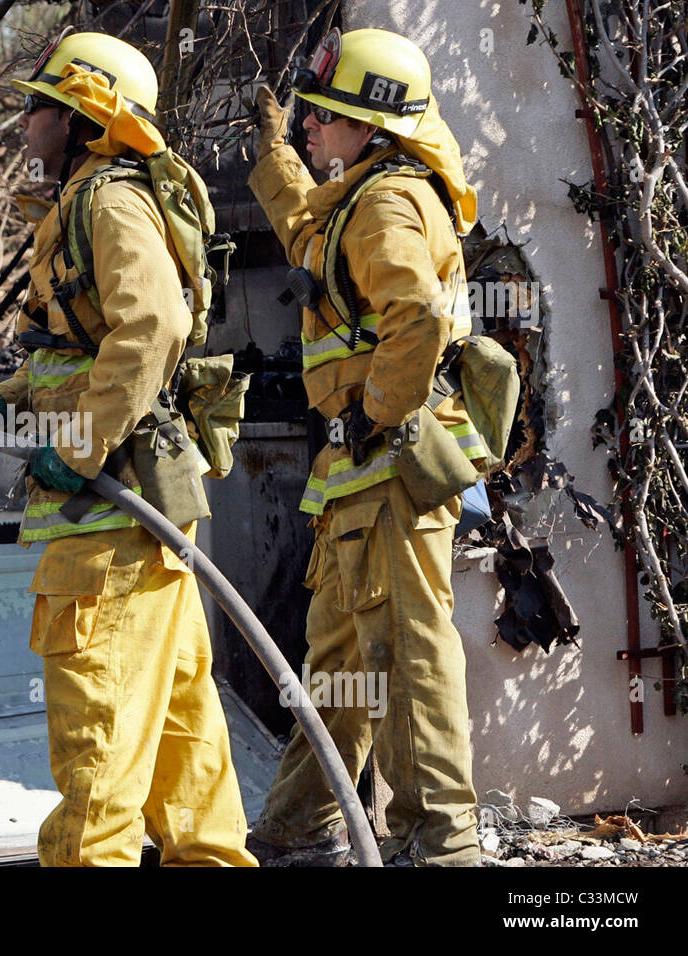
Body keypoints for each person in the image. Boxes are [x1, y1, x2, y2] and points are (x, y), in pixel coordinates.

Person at [0, 31, 256, 867]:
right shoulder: (90, 200)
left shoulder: (106, 202)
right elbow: (86, 349)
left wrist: (71, 449)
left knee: (98, 757)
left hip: (106, 528)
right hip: (136, 532)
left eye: (43, 103)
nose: (28, 117)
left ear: (83, 117)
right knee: (185, 753)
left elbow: (154, 327)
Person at [245, 27, 483, 866]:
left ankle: (440, 846)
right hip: (357, 481)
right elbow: (305, 232)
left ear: (372, 126)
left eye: (323, 116)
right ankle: (302, 827)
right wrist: (275, 156)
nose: (310, 125)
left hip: (386, 472)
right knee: (342, 663)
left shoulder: (385, 203)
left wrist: (371, 416)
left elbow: (413, 317)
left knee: (408, 659)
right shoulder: (356, 199)